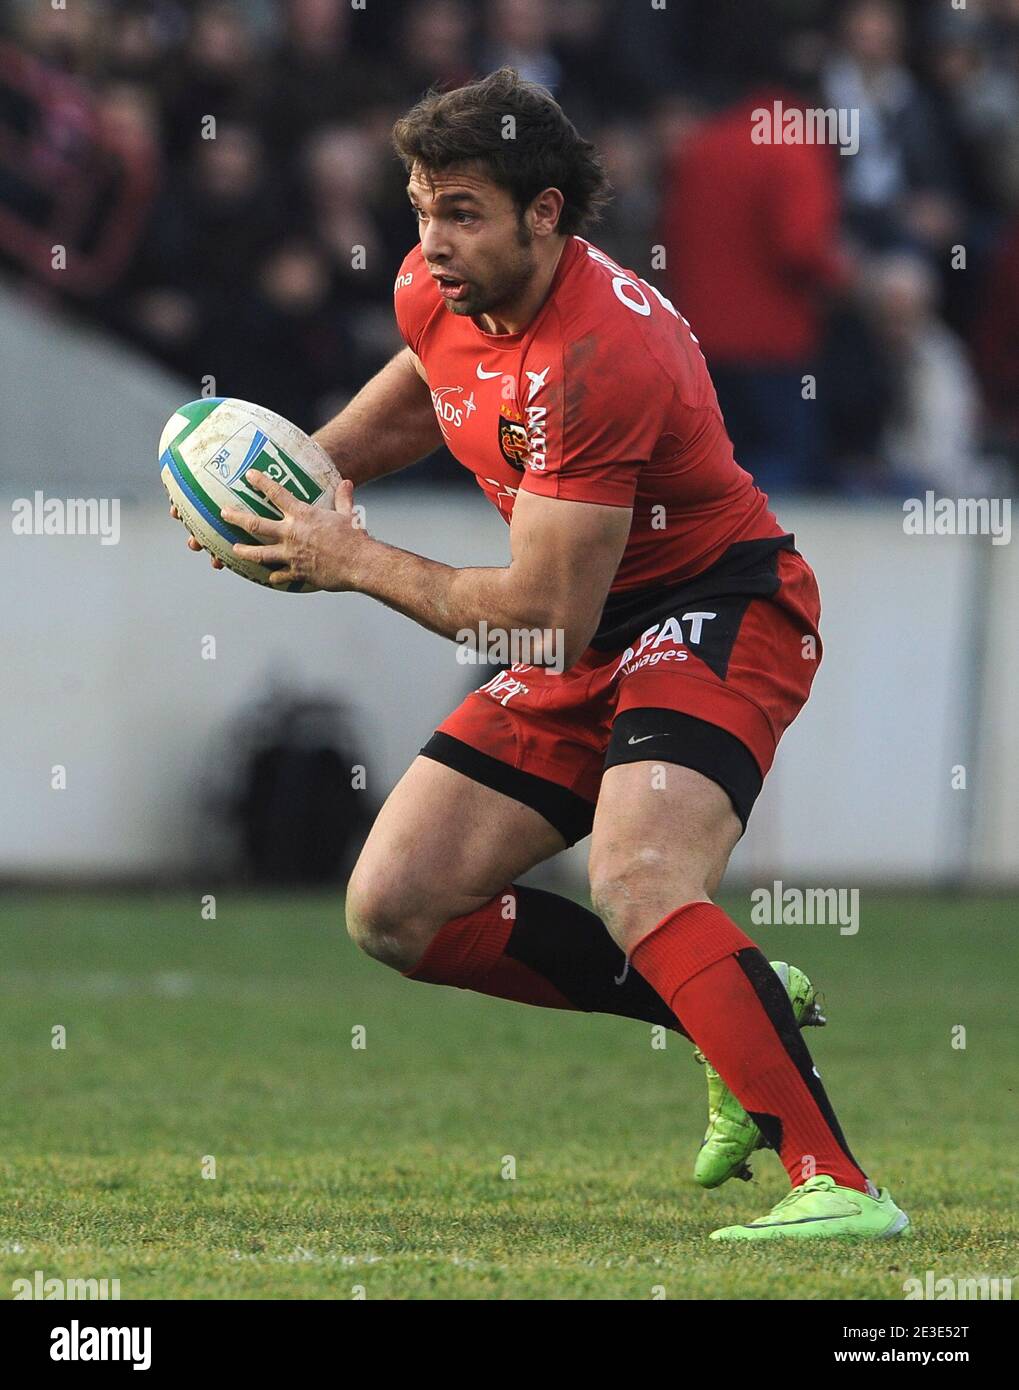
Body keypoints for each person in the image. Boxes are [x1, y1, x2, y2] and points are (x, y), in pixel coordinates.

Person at [173, 68, 907, 1241]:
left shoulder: (597, 356)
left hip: (713, 608)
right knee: (394, 909)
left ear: (547, 213)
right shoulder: (434, 284)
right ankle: (732, 1006)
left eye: (460, 211)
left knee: (635, 874)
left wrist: (348, 557)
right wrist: (305, 480)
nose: (430, 240)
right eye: (419, 207)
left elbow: (541, 620)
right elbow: (428, 382)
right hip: (586, 619)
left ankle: (838, 1185)